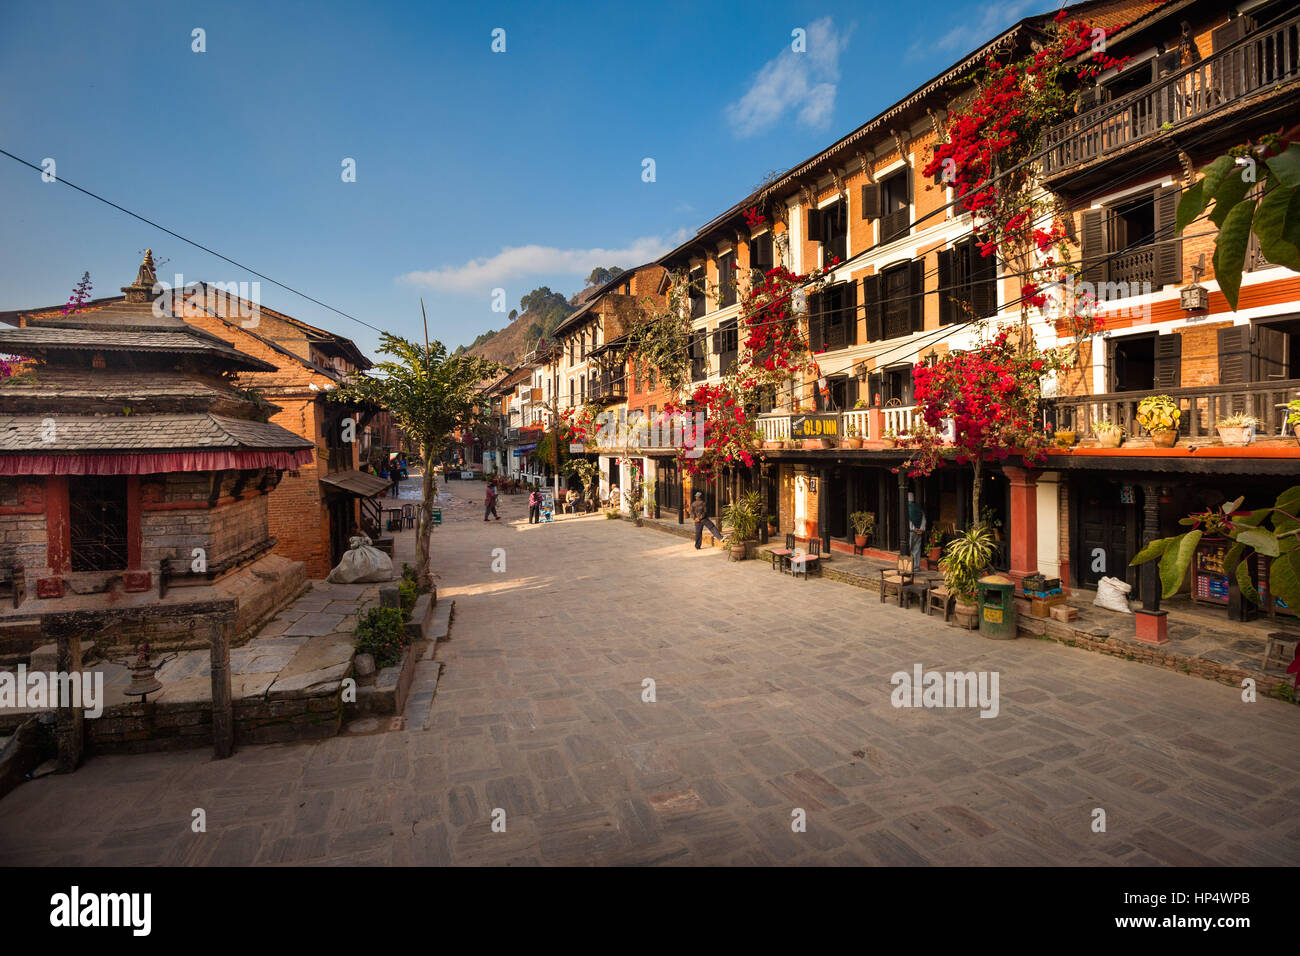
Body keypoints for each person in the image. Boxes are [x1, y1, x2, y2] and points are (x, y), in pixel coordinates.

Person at [907, 492, 927, 571]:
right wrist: (921, 529)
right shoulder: (918, 508)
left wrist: (913, 528)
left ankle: (908, 566)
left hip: (910, 532)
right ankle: (916, 567)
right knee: (917, 550)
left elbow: (908, 522)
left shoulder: (907, 508)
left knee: (908, 549)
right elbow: (924, 519)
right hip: (919, 532)